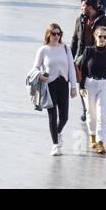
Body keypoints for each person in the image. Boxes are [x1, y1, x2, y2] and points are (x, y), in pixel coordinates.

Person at [32, 23, 78, 155]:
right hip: (49, 85)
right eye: (54, 34)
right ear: (48, 34)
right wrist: (39, 75)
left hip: (63, 84)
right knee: (52, 116)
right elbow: (35, 67)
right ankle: (55, 145)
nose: (56, 36)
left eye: (59, 34)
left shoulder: (65, 48)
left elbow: (71, 69)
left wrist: (73, 87)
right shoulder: (43, 50)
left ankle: (58, 133)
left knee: (64, 117)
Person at [76, 24, 106, 155]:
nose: (102, 39)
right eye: (100, 36)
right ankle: (92, 137)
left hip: (104, 84)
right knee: (91, 114)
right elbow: (82, 69)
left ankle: (100, 142)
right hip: (89, 84)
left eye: (105, 37)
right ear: (95, 37)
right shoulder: (88, 51)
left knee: (102, 114)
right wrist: (81, 86)